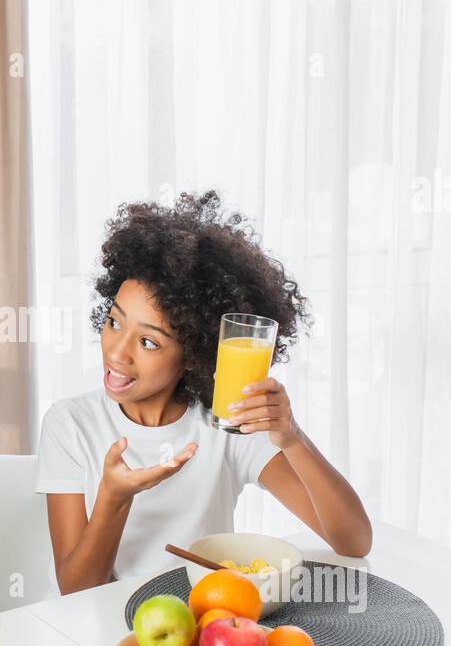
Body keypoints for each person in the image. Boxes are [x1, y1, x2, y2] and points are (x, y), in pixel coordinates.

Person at [36, 193, 372, 595]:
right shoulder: (71, 424)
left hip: (214, 622)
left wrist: (292, 438)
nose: (116, 351)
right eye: (114, 321)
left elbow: (354, 542)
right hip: (118, 632)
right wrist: (113, 498)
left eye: (148, 342)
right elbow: (75, 588)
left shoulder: (226, 425)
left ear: (194, 354)